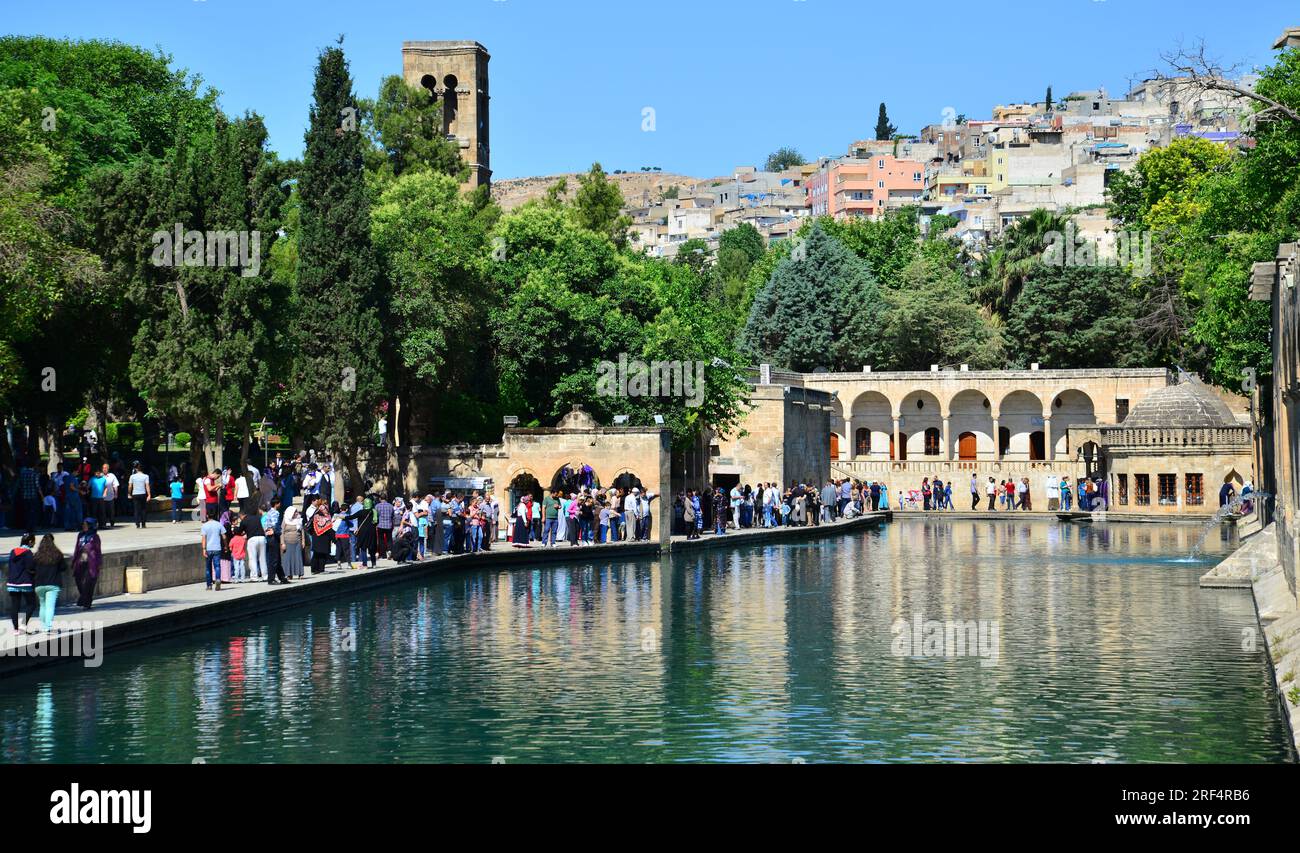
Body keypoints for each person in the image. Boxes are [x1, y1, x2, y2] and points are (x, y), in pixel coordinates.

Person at [32, 534, 66, 633]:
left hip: (39, 584)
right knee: (50, 606)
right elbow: (63, 567)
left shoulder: (37, 555)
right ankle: (48, 627)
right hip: (53, 584)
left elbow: (31, 568)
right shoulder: (57, 554)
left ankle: (43, 626)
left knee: (42, 605)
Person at [7, 533, 37, 635]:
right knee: (31, 604)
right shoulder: (28, 553)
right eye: (33, 541)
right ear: (29, 542)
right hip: (25, 582)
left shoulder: (12, 552)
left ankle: (16, 629)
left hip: (12, 582)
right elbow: (31, 568)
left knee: (15, 606)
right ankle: (23, 626)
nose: (34, 543)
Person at [71, 518, 103, 607]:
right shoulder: (80, 535)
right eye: (83, 525)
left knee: (89, 582)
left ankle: (87, 601)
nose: (84, 526)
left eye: (86, 525)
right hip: (80, 560)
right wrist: (74, 561)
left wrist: (99, 563)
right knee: (78, 579)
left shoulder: (95, 537)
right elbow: (76, 548)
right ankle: (83, 597)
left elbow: (98, 550)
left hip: (91, 562)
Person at [200, 513, 225, 590]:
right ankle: (217, 579)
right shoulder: (219, 524)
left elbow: (204, 538)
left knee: (208, 567)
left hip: (208, 549)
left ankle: (209, 585)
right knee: (217, 566)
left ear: (207, 516)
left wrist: (204, 549)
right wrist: (226, 545)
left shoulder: (205, 525)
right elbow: (224, 536)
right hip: (217, 548)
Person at [281, 504, 305, 579]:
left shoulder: (299, 520)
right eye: (295, 512)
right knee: (288, 558)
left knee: (298, 558)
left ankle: (300, 574)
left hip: (297, 541)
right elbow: (282, 532)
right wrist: (282, 543)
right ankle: (288, 574)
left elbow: (302, 531)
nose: (297, 513)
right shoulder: (285, 520)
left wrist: (303, 541)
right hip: (287, 541)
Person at [128, 461, 151, 528]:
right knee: (143, 509)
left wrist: (129, 494)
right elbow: (147, 486)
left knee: (136, 509)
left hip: (135, 494)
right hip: (143, 493)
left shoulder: (132, 476)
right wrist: (149, 494)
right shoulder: (146, 476)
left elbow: (130, 486)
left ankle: (137, 523)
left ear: (136, 469)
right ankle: (143, 524)